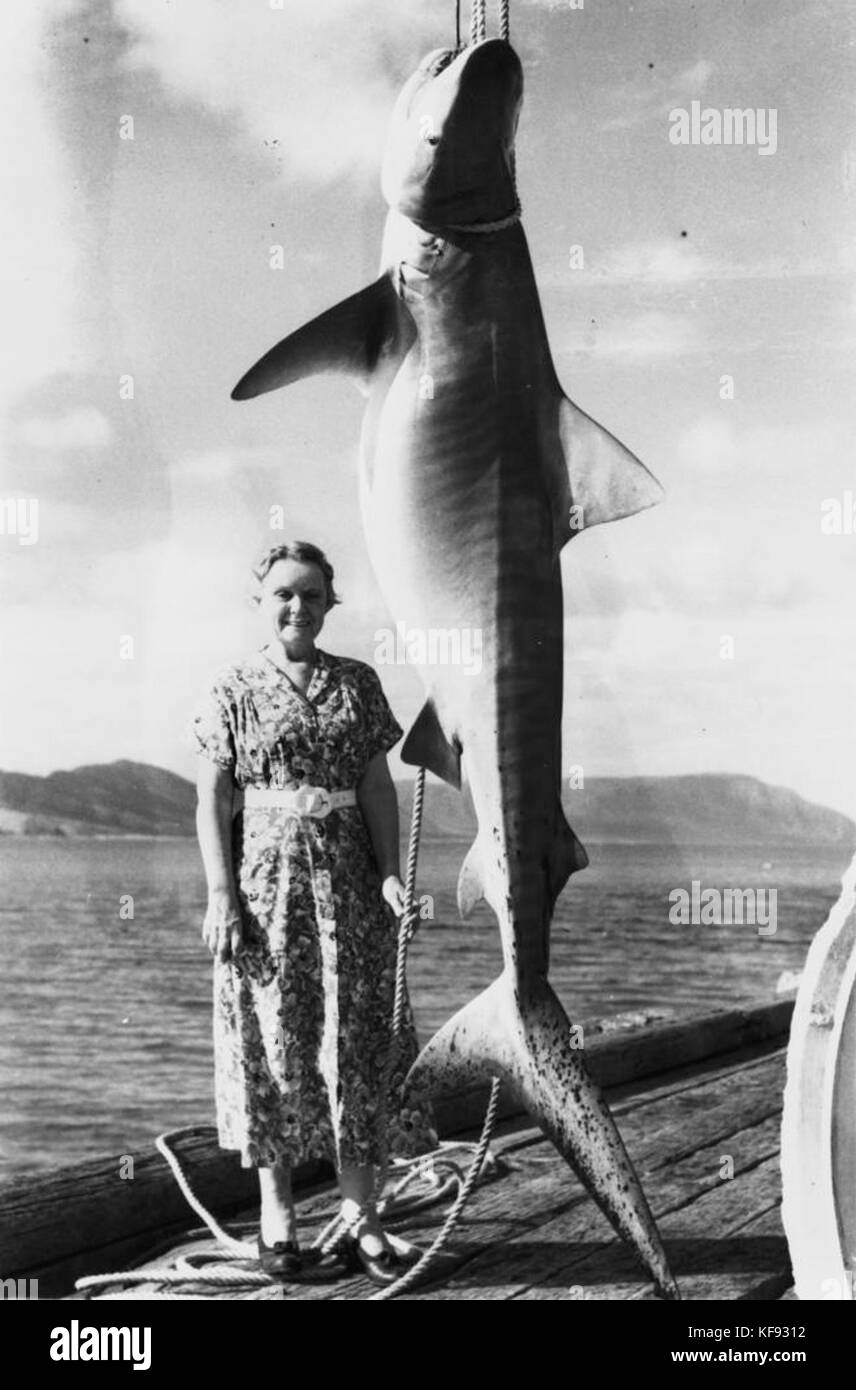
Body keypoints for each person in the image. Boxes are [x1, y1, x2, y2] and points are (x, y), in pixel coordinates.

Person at [190, 540, 435, 1284]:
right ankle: (279, 1222)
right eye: (283, 595)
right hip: (265, 896)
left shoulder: (357, 684)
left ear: (332, 603)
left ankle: (363, 1218)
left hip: (352, 893)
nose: (298, 607)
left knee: (358, 1043)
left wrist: (391, 877)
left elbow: (376, 790)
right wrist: (221, 894)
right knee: (271, 1046)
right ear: (260, 604)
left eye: (312, 594)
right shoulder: (231, 686)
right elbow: (212, 799)